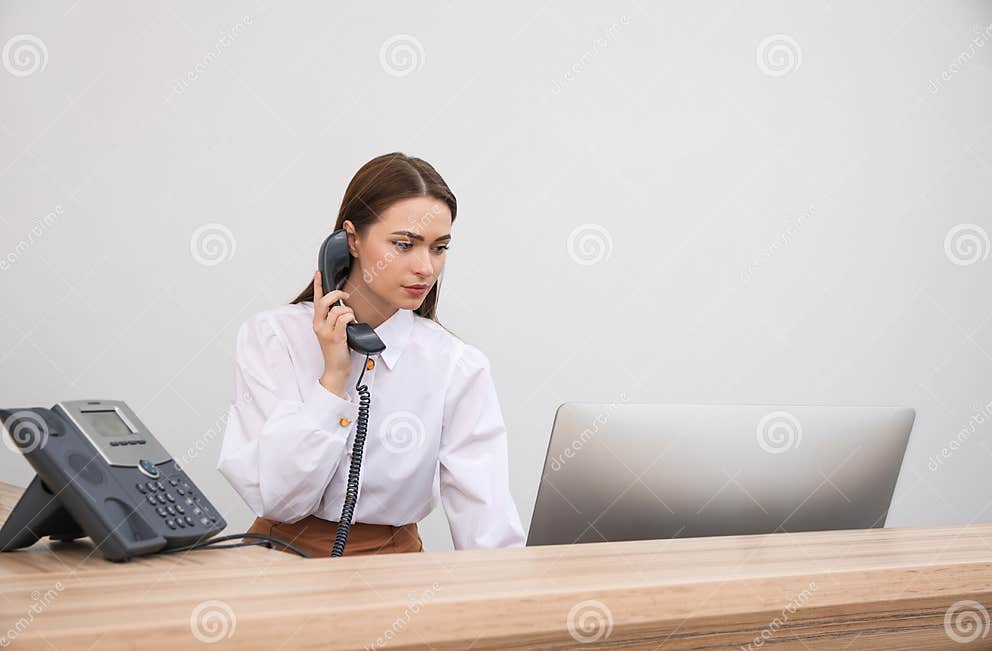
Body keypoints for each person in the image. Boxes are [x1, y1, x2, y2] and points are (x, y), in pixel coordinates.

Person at [216, 152, 526, 557]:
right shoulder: (272, 337)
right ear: (352, 240)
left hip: (393, 563)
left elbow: (486, 521)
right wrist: (333, 379)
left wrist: (510, 588)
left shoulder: (457, 365)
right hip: (276, 557)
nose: (426, 268)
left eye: (439, 248)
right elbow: (278, 499)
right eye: (404, 244)